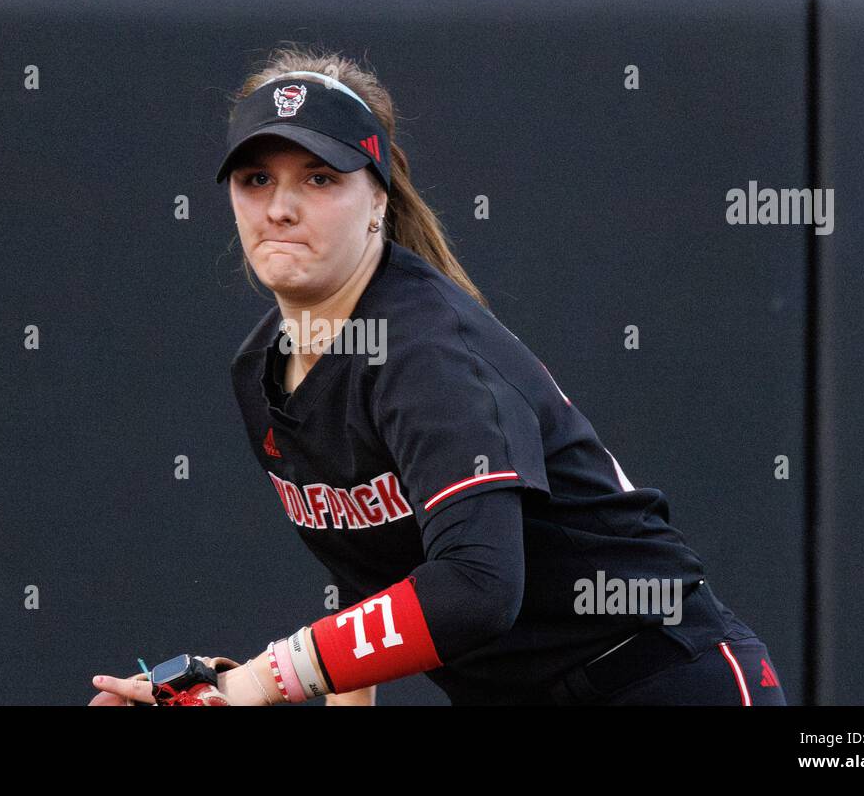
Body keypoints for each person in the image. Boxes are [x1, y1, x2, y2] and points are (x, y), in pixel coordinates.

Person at [90, 46, 787, 706]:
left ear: (379, 199)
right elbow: (369, 597)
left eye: (321, 177)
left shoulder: (424, 349)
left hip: (656, 676)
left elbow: (477, 586)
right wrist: (226, 686)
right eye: (257, 178)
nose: (280, 206)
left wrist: (263, 682)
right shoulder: (262, 371)